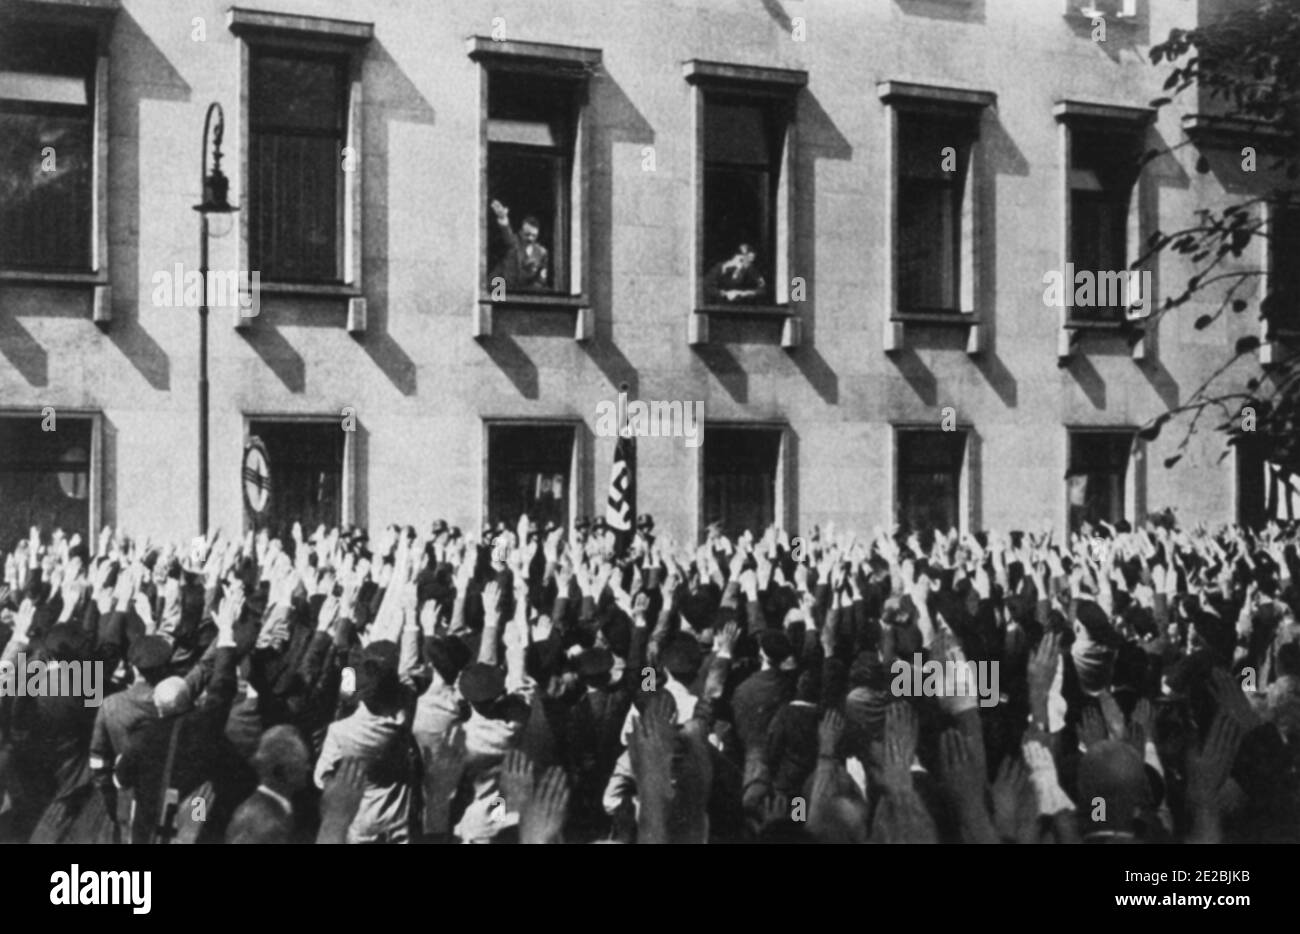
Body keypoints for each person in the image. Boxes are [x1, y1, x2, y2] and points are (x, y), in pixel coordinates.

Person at [489, 199, 549, 291]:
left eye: (534, 235)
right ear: (521, 232)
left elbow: (541, 279)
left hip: (522, 293)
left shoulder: (541, 253)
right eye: (527, 234)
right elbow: (507, 235)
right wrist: (503, 218)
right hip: (499, 286)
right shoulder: (514, 242)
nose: (530, 238)